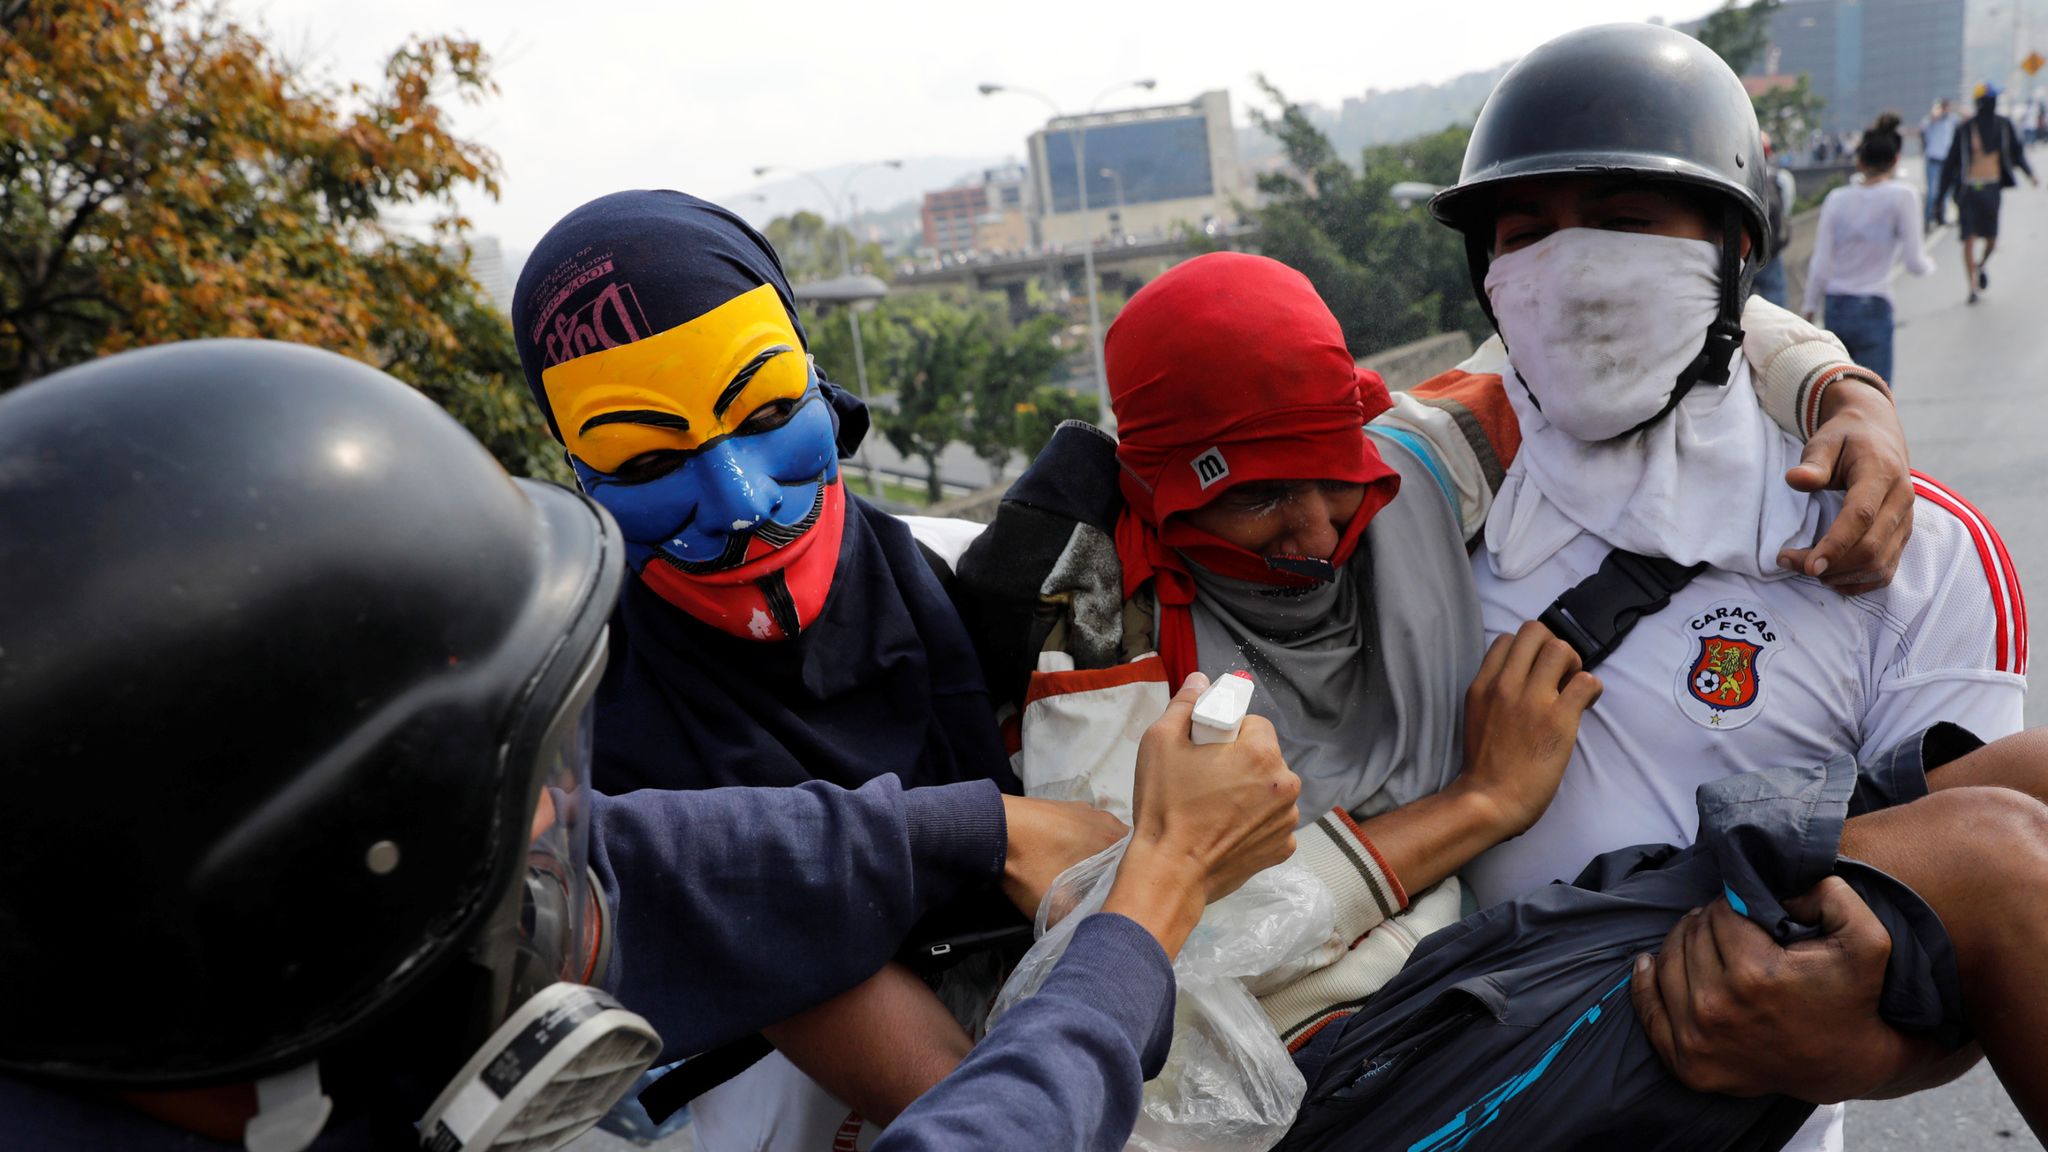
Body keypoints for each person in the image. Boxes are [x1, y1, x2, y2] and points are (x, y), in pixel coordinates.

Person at [0, 338, 1302, 1152]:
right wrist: (1152, 898)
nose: (578, 827)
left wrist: (978, 826)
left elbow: (670, 869)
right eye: (523, 796)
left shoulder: (174, 1019)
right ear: (309, 902)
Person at [1282, 24, 2039, 1151]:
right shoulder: (1415, 513)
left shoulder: (1902, 544)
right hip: (1480, 1072)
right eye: (1525, 234)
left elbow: (1973, 947)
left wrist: (1862, 1057)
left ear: (1735, 247)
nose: (1573, 271)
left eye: (1625, 223)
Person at [508, 191, 1056, 1144]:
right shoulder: (571, 718)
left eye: (766, 411)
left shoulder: (983, 588)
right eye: (644, 461)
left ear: (820, 385)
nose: (741, 504)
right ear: (579, 476)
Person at [1803, 113, 1935, 383]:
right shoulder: (1903, 196)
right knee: (1875, 398)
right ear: (1896, 159)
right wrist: (1930, 265)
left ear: (1860, 161)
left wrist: (1809, 309)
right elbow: (1914, 262)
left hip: (1836, 308)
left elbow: (1821, 264)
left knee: (1838, 396)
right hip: (1874, 306)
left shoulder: (1836, 199)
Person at [1940, 82, 2038, 304]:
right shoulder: (1965, 130)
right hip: (1969, 191)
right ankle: (1972, 287)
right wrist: (1940, 200)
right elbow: (1950, 164)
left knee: (1991, 239)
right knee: (1969, 238)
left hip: (1992, 189)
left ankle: (1981, 265)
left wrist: (2030, 174)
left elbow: (2017, 153)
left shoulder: (2003, 126)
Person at [1750, 132, 1798, 308]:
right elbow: (1787, 209)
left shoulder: (1737, 176)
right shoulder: (1779, 178)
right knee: (1777, 309)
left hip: (1742, 256)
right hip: (1772, 254)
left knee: (1740, 312)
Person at [1921, 97, 1959, 229]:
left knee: (1946, 192)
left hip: (1946, 161)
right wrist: (1937, 109)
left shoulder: (1952, 120)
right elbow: (1932, 117)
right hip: (1933, 161)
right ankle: (1927, 219)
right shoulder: (1930, 120)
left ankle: (1941, 218)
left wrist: (1955, 108)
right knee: (1932, 192)